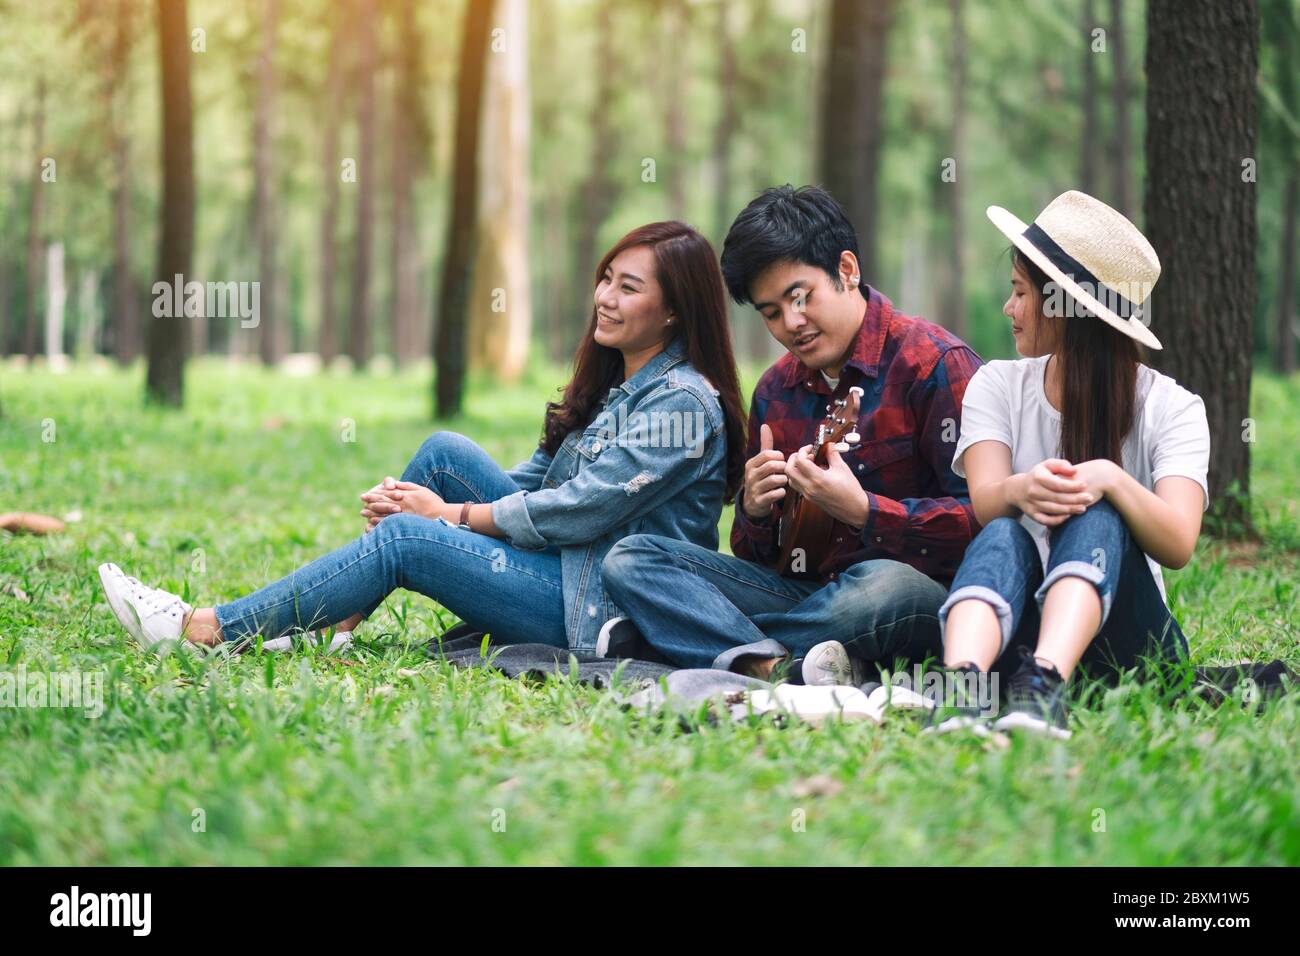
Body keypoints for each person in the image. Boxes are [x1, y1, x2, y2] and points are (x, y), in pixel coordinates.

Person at [98, 221, 747, 655]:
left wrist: (446, 517)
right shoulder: (616, 383)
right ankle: (331, 624)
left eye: (627, 287)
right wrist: (421, 497)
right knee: (443, 454)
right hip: (564, 567)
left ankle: (204, 630)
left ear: (672, 310)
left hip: (605, 607)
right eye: (605, 277)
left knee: (410, 538)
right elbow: (537, 485)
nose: (604, 296)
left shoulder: (684, 404)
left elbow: (584, 508)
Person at [600, 185, 983, 684]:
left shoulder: (932, 364)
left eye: (800, 298)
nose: (792, 323)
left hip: (914, 598)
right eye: (771, 313)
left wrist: (866, 513)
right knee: (634, 557)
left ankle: (690, 641)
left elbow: (988, 522)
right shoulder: (776, 388)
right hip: (807, 596)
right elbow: (760, 560)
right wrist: (756, 513)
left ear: (847, 270)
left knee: (881, 585)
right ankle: (785, 666)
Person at [921, 190, 1210, 739]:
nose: (1009, 308)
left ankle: (1046, 688)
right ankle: (961, 690)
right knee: (1006, 533)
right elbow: (985, 502)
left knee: (1098, 515)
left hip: (1130, 650)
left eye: (1020, 292)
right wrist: (1022, 489)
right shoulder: (998, 385)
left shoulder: (1173, 407)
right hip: (1019, 636)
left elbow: (1178, 542)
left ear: (1064, 307)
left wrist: (1111, 480)